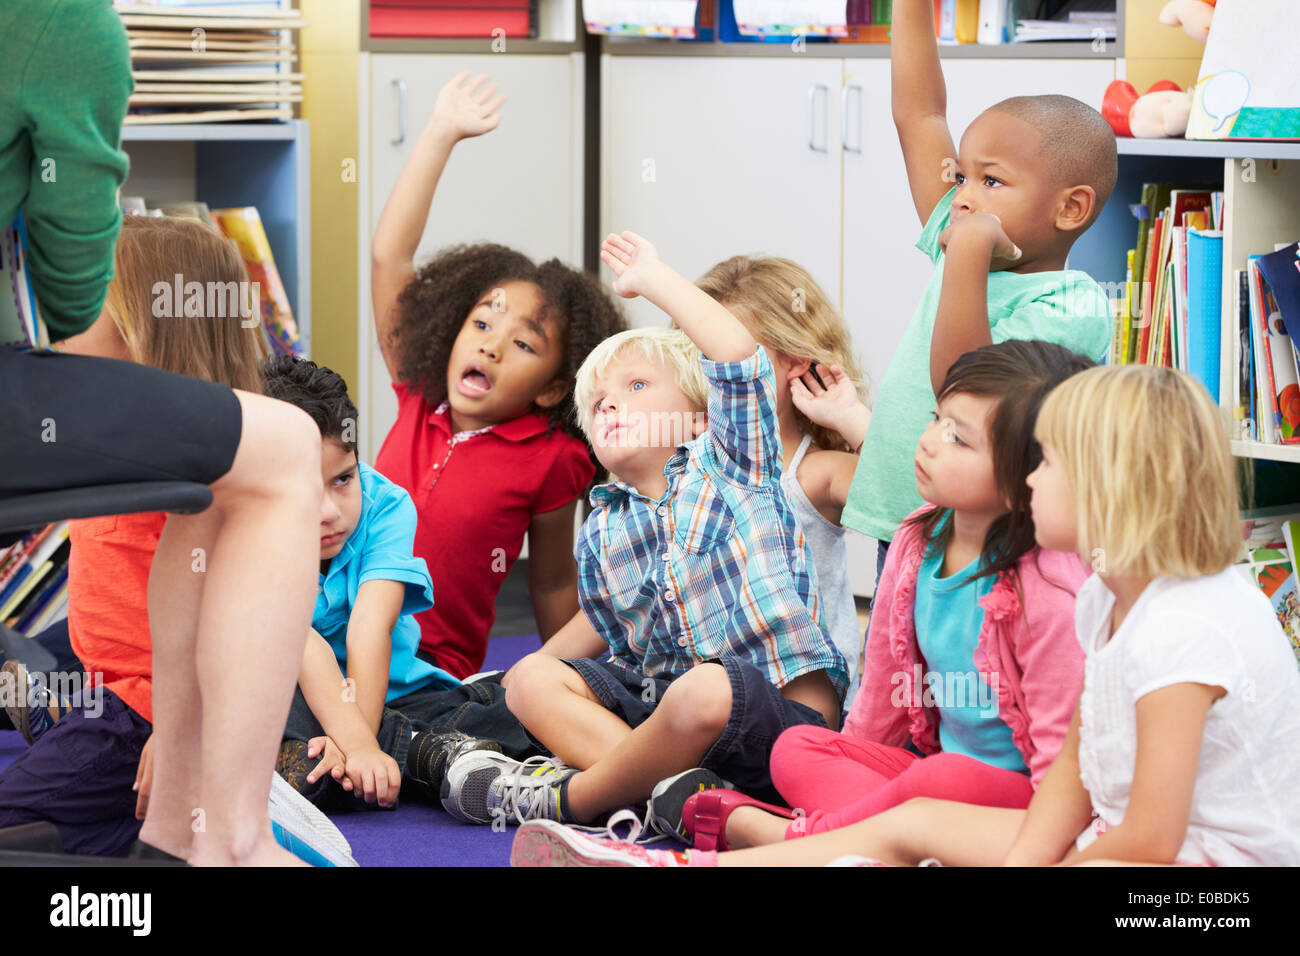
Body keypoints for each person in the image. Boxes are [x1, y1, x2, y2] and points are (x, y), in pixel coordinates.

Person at [511, 365, 1300, 867]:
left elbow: (1156, 844)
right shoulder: (1111, 595)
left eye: (1048, 464)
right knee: (913, 820)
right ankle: (679, 864)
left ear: (1111, 488)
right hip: (1109, 847)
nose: (1030, 481)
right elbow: (1075, 770)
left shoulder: (1180, 626)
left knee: (924, 818)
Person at [443, 231, 847, 833]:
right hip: (673, 722)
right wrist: (501, 688)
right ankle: (680, 802)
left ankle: (574, 801)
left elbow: (738, 359)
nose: (609, 404)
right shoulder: (605, 524)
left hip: (778, 717)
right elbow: (612, 643)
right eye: (598, 400)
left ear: (701, 413)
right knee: (532, 679)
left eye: (635, 388)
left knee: (705, 689)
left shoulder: (735, 464)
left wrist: (654, 279)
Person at [839, 0, 1116, 582]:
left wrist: (964, 251)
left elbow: (963, 386)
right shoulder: (962, 234)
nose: (963, 195)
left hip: (992, 535)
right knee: (903, 658)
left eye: (991, 180)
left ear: (1070, 208)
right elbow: (919, 114)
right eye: (961, 176)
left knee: (978, 663)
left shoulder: (1071, 305)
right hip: (910, 518)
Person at [370, 72, 626, 679]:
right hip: (340, 638)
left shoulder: (554, 457)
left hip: (432, 669)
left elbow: (554, 583)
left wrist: (562, 679)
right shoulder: (417, 395)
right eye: (483, 324)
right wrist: (440, 133)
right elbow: (390, 257)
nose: (490, 347)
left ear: (552, 388)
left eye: (521, 344)